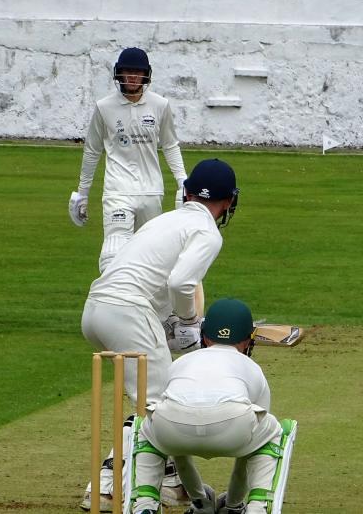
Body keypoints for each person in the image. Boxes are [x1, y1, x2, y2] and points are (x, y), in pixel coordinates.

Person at [79, 158, 240, 511]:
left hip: (96, 310)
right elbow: (182, 282)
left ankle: (166, 480)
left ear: (187, 193)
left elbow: (156, 280)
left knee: (151, 399)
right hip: (127, 310)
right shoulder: (206, 232)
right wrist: (187, 322)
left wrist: (172, 324)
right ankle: (110, 489)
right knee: (159, 404)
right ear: (228, 201)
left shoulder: (167, 220)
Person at [128, 298, 286, 514]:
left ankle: (146, 504)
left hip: (172, 427)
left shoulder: (181, 362)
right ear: (247, 340)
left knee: (148, 427)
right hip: (233, 426)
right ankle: (254, 508)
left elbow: (177, 444)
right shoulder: (251, 367)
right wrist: (232, 502)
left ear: (204, 336)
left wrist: (199, 497)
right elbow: (250, 450)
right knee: (271, 432)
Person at [69, 46, 188, 274]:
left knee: (151, 256)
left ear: (146, 75)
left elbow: (170, 144)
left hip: (152, 191)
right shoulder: (104, 107)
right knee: (114, 253)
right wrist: (83, 192)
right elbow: (92, 150)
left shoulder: (160, 105)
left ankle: (147, 307)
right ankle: (109, 303)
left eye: (138, 72)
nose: (132, 76)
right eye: (127, 71)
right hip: (118, 191)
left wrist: (183, 180)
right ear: (119, 74)